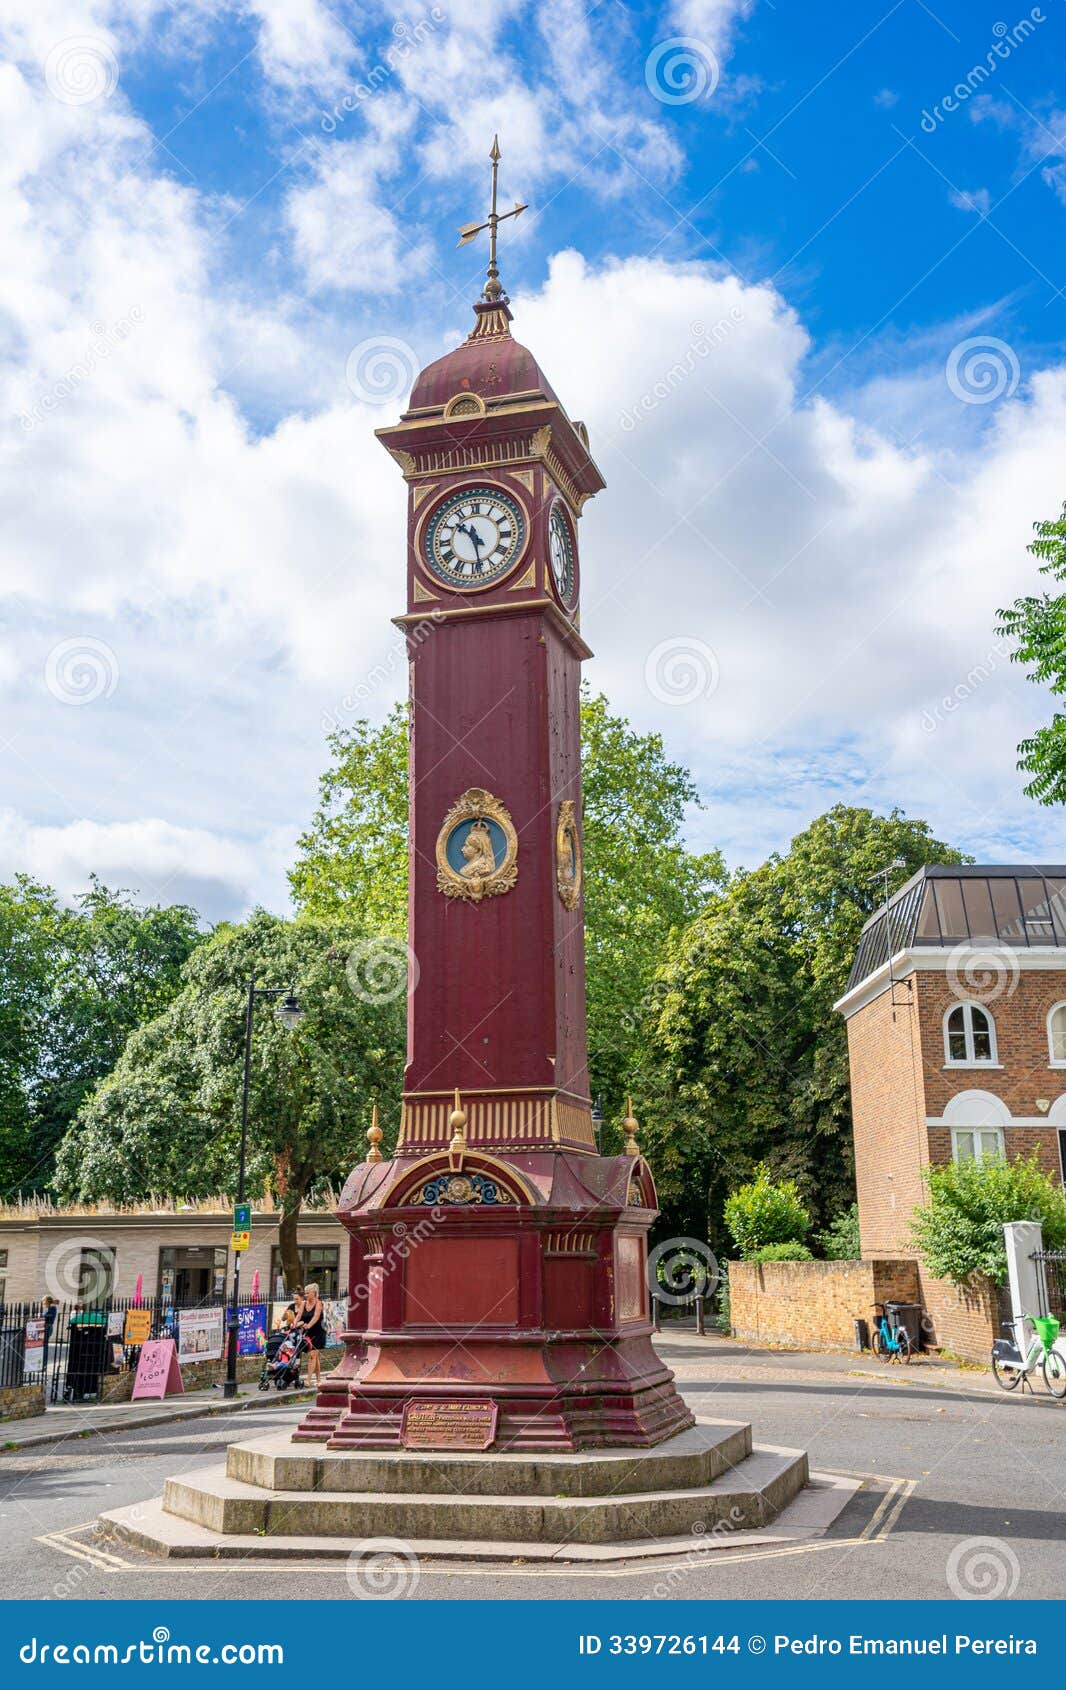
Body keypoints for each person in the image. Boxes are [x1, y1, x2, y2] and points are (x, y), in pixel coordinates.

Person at [296, 1283, 325, 1389]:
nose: (306, 1295)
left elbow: (316, 1317)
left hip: (317, 1332)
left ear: (314, 1293)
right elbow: (298, 1316)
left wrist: (309, 1325)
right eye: (305, 1293)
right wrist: (294, 1323)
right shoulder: (303, 1303)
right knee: (315, 1356)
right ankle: (318, 1380)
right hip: (307, 1332)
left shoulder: (318, 1303)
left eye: (308, 1293)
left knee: (312, 1355)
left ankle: (308, 1380)